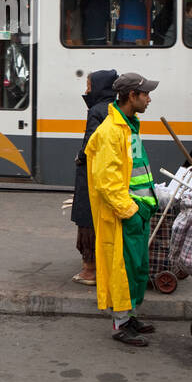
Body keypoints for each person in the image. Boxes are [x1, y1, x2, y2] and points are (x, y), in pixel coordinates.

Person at [86, 72, 159, 347]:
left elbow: (136, 169)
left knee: (137, 269)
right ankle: (120, 324)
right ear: (132, 96)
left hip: (139, 210)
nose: (149, 99)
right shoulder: (111, 131)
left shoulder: (131, 126)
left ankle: (129, 317)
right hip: (126, 214)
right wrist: (130, 211)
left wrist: (149, 200)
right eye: (146, 94)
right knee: (123, 271)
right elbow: (107, 182)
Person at [70, 69, 118, 286]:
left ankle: (90, 270)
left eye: (89, 86)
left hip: (92, 173)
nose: (87, 90)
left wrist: (79, 157)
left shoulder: (97, 110)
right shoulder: (115, 108)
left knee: (87, 218)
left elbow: (91, 142)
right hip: (110, 172)